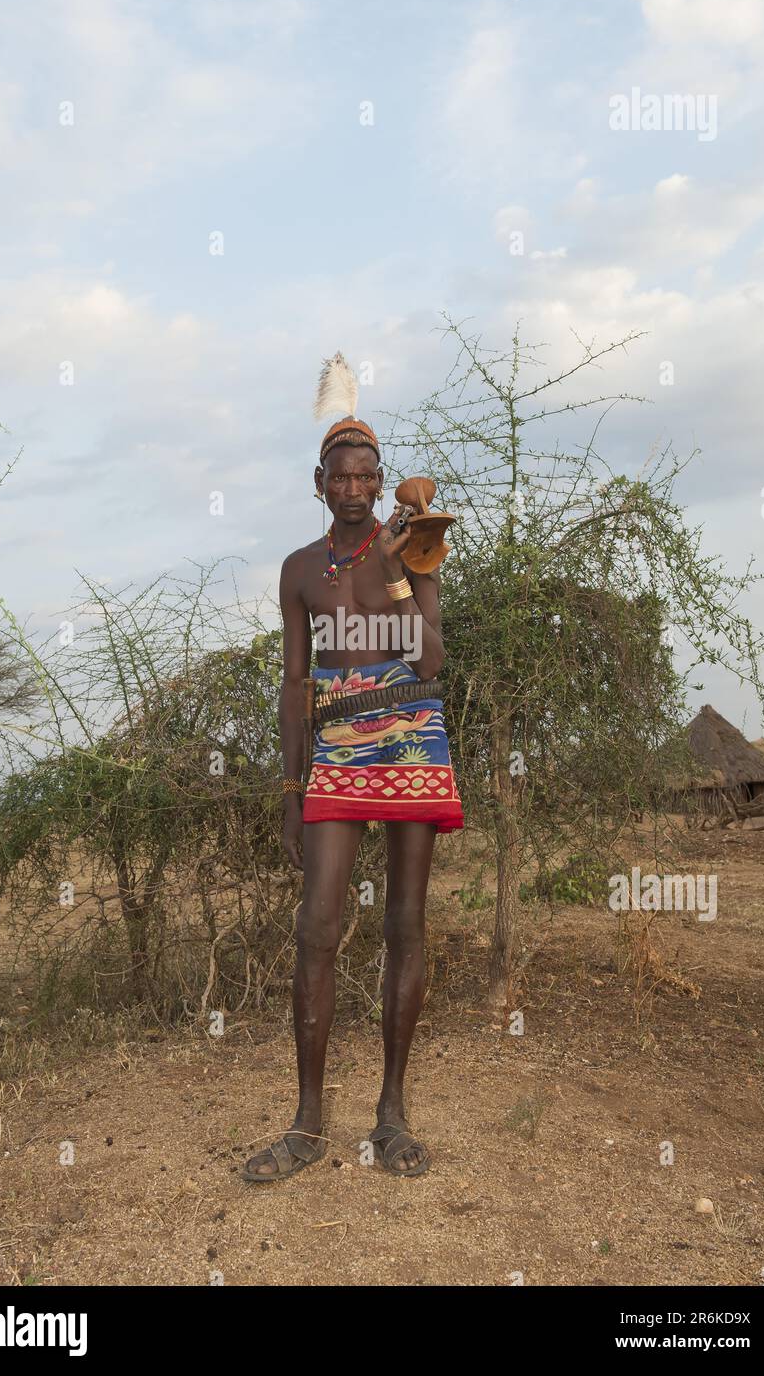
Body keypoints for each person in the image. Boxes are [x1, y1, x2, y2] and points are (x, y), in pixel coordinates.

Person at [241, 409, 463, 1182]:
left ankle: (392, 1115)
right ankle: (307, 1125)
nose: (355, 488)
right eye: (340, 475)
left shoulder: (414, 546)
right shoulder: (301, 569)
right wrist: (287, 784)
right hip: (334, 747)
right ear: (318, 484)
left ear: (380, 480)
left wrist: (404, 572)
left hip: (409, 735)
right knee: (317, 928)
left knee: (406, 922)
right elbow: (295, 681)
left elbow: (429, 660)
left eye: (367, 476)